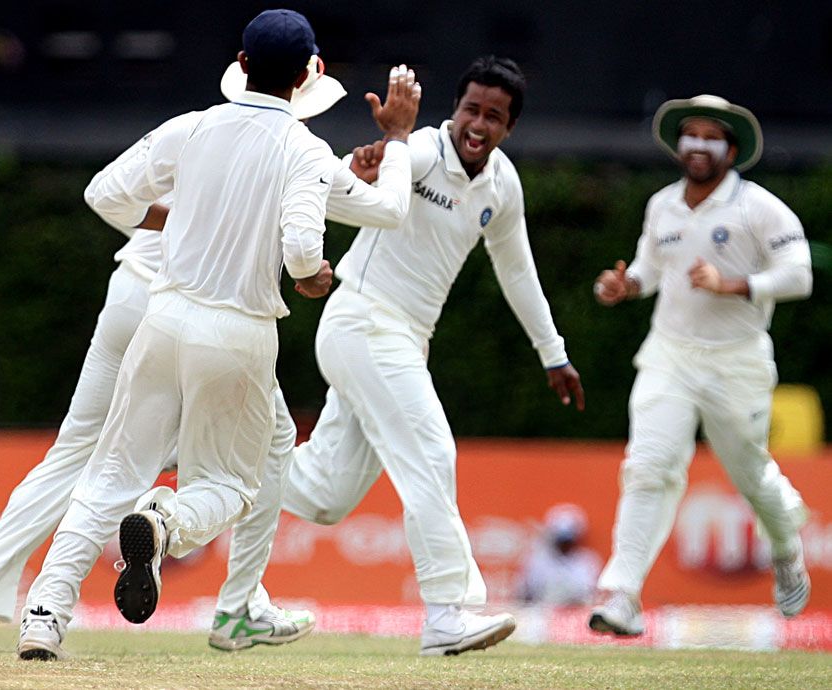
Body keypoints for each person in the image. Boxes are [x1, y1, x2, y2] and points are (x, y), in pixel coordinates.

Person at [0, 35, 420, 655]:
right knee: (234, 481)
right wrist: (398, 143)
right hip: (236, 333)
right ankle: (177, 536)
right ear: (309, 75)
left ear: (241, 64)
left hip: (158, 316)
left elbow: (104, 194)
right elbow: (346, 229)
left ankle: (41, 612)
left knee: (102, 469)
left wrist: (187, 215)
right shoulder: (304, 149)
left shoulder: (193, 126)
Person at [209, 55, 585, 657]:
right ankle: (446, 615)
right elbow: (336, 195)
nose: (478, 125)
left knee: (324, 495)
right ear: (454, 109)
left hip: (404, 339)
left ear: (509, 127)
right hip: (363, 322)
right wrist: (364, 162)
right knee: (432, 452)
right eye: (471, 109)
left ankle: (208, 464)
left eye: (493, 116)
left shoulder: (502, 184)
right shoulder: (422, 152)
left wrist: (553, 353)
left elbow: (518, 271)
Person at [588, 94, 812, 636]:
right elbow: (648, 268)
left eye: (712, 137)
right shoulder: (662, 205)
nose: (699, 145)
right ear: (678, 145)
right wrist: (624, 285)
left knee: (750, 474)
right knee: (648, 465)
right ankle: (623, 595)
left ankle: (786, 547)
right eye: (691, 134)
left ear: (731, 151)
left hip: (737, 362)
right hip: (670, 354)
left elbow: (799, 274)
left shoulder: (758, 207)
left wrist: (731, 284)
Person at [515, 503, 601, 606]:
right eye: (560, 539)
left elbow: (592, 596)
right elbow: (523, 594)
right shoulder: (537, 561)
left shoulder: (587, 562)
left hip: (577, 612)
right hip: (542, 611)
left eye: (568, 540)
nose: (564, 545)